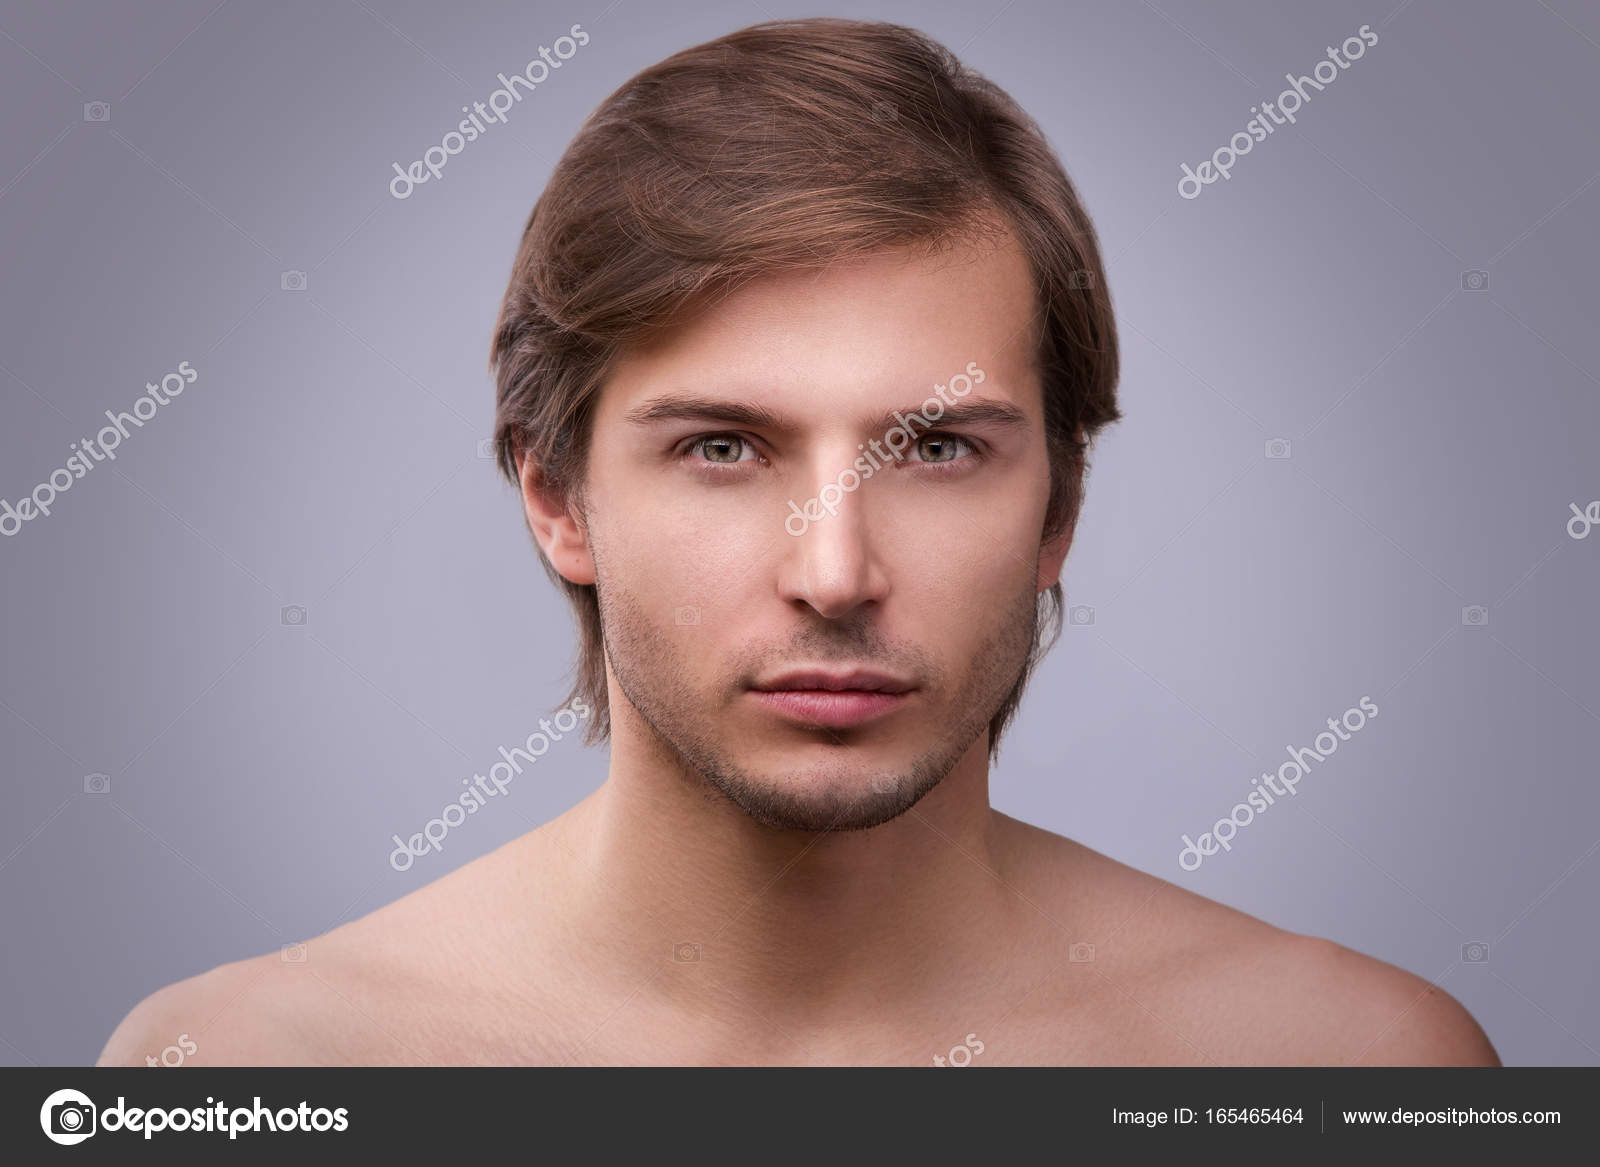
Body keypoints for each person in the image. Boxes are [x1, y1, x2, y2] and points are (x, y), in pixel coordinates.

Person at [99, 18, 1497, 1066]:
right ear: (557, 500)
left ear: (1059, 507)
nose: (835, 576)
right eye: (723, 448)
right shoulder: (248, 1074)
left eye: (939, 450)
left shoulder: (1345, 1069)